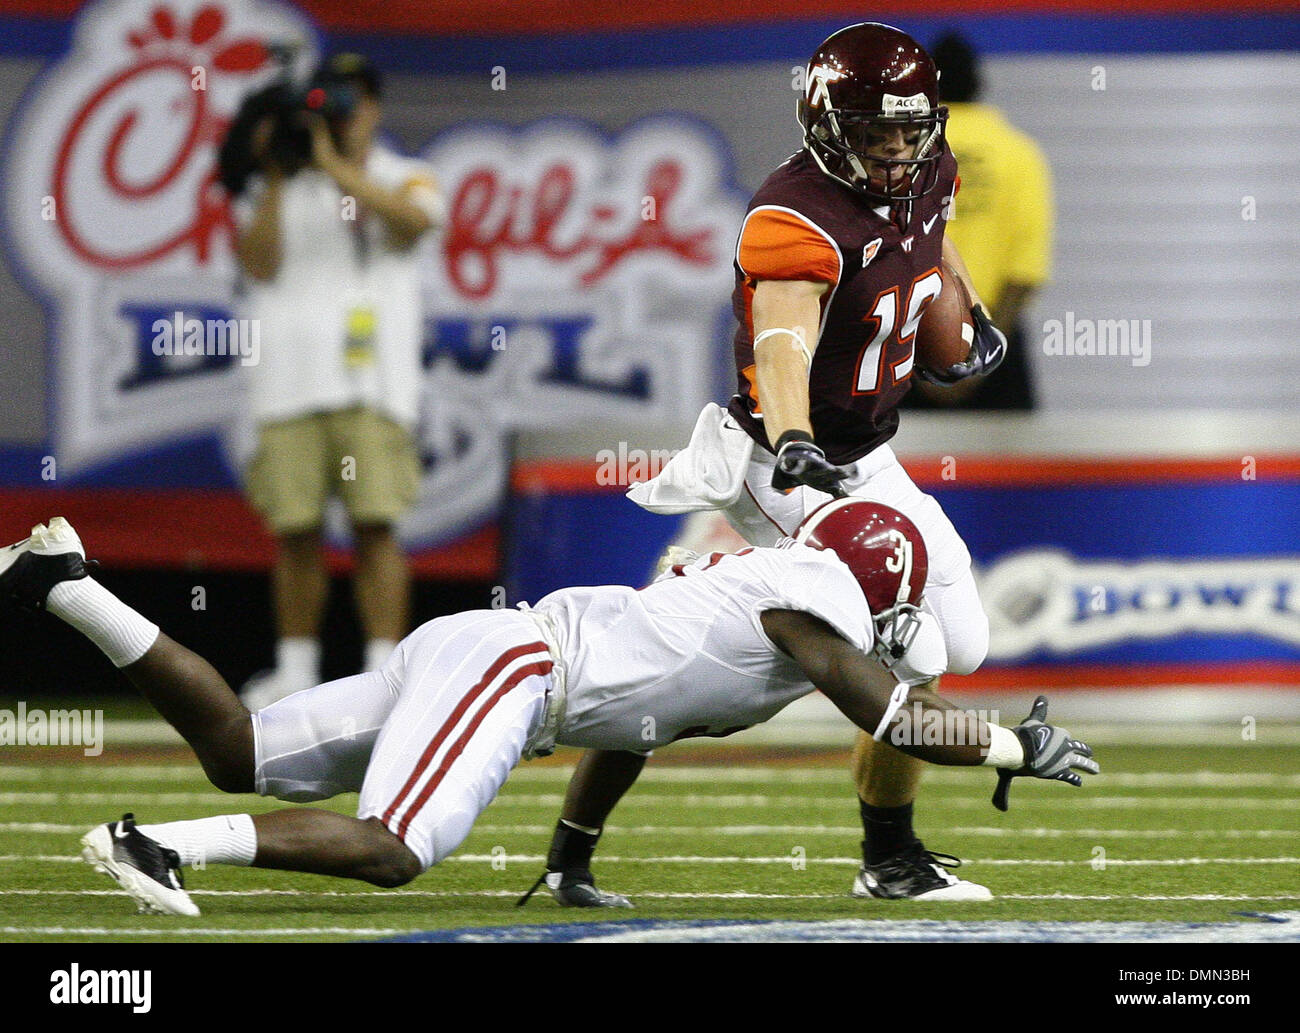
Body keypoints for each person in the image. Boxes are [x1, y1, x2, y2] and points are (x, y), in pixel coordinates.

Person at [0, 511, 1096, 916]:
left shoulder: (764, 588)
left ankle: (64, 583)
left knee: (241, 751)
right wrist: (1013, 742)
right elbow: (899, 716)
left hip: (495, 654)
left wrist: (571, 856)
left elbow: (637, 729)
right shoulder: (811, 612)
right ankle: (155, 845)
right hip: (515, 669)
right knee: (396, 852)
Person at [532, 22, 1013, 907]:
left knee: (964, 643)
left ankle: (879, 840)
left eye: (913, 130)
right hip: (781, 461)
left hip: (870, 455)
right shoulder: (795, 215)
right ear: (828, 127)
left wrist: (967, 306)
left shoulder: (927, 172)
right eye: (878, 133)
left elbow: (930, 230)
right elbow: (785, 337)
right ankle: (891, 857)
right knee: (904, 645)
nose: (900, 151)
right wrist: (793, 438)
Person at [229, 53, 442, 709]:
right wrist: (274, 170)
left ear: (374, 108)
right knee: (294, 531)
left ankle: (385, 671)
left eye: (352, 102)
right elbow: (258, 265)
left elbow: (416, 223)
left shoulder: (404, 175)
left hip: (372, 387)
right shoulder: (276, 186)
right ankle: (296, 668)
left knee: (376, 524)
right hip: (289, 383)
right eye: (330, 103)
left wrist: (333, 163)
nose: (342, 115)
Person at [901, 30, 1053, 411]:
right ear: (980, 83)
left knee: (899, 467)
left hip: (905, 339)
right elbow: (1024, 274)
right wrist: (982, 360)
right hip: (994, 335)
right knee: (1005, 469)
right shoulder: (1019, 153)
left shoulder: (899, 153)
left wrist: (919, 356)